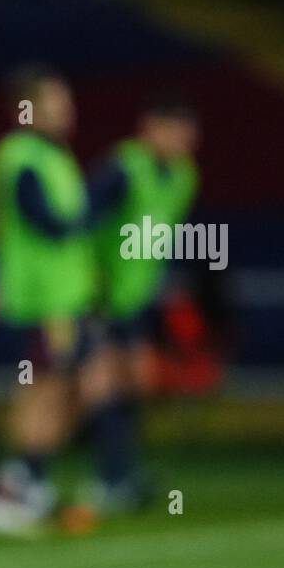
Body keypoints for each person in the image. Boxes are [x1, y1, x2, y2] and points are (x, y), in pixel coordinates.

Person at [0, 65, 95, 531]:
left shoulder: (53, 155)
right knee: (43, 387)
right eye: (53, 102)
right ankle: (17, 482)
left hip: (68, 297)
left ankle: (31, 477)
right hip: (43, 300)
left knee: (69, 386)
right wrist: (98, 206)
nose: (65, 111)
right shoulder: (22, 156)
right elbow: (48, 222)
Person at [80, 97, 200, 512]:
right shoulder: (122, 168)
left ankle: (119, 476)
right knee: (103, 385)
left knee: (133, 383)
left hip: (139, 297)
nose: (179, 140)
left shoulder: (184, 176)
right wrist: (92, 284)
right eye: (171, 129)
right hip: (101, 296)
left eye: (185, 132)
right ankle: (106, 479)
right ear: (149, 128)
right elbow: (85, 222)